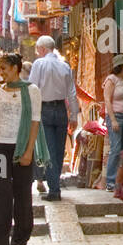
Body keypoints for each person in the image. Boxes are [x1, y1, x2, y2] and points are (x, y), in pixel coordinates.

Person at [0, 53, 46, 245]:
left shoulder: (32, 90)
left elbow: (34, 122)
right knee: (0, 192)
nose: (1, 73)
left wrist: (29, 151)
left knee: (22, 193)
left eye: (4, 69)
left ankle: (21, 235)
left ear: (16, 68)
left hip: (21, 147)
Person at [27, 35, 80, 200]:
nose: (37, 53)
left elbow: (32, 89)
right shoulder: (64, 66)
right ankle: (54, 185)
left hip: (45, 110)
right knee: (58, 150)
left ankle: (54, 190)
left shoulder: (39, 64)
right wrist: (74, 115)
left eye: (38, 50)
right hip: (61, 111)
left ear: (42, 49)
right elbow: (72, 93)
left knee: (49, 150)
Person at [102, 54, 123, 192]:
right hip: (116, 116)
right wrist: (113, 119)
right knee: (116, 149)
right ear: (121, 66)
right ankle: (110, 181)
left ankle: (120, 180)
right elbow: (107, 100)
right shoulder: (111, 80)